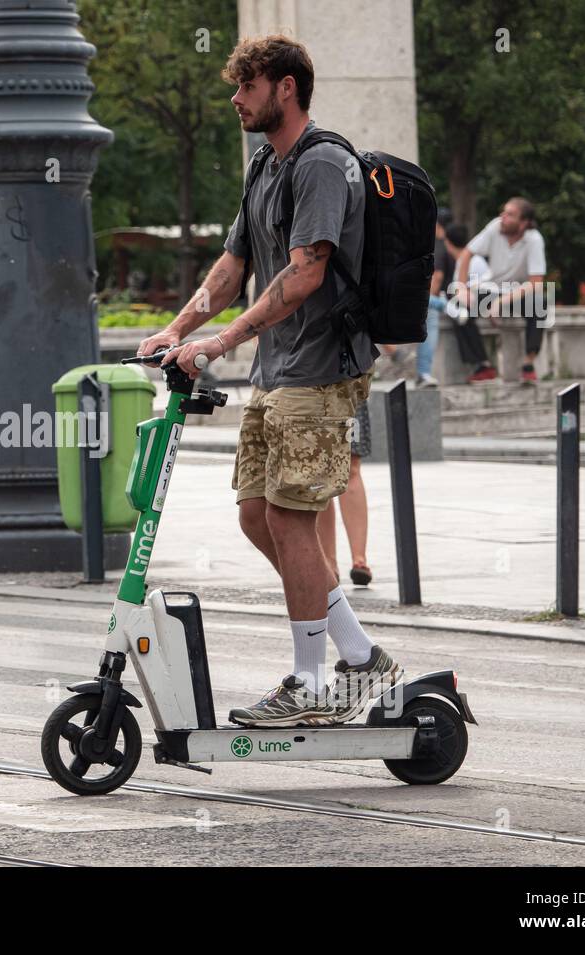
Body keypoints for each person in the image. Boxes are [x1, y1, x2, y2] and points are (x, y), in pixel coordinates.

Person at [137, 34, 402, 728]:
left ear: (285, 88)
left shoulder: (322, 165)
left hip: (321, 372)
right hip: (278, 370)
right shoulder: (265, 166)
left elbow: (306, 273)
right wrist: (176, 328)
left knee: (290, 518)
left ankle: (310, 685)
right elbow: (233, 266)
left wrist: (220, 342)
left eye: (247, 86)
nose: (235, 98)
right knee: (259, 516)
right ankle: (360, 653)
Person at [452, 197, 548, 384]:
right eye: (503, 212)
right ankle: (483, 365)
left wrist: (500, 302)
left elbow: (536, 282)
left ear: (524, 223)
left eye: (510, 214)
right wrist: (461, 288)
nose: (503, 217)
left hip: (518, 294)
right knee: (457, 306)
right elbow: (466, 254)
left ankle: (528, 364)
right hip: (491, 288)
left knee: (540, 303)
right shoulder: (495, 227)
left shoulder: (534, 240)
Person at [316, 402, 373, 586]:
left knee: (351, 465)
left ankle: (359, 559)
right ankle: (329, 562)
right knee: (319, 470)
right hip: (309, 387)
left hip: (347, 386)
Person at [416, 208, 455, 388]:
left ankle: (423, 373)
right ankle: (445, 307)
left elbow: (437, 277)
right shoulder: (443, 244)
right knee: (431, 313)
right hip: (435, 297)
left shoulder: (436, 245)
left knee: (430, 314)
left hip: (430, 295)